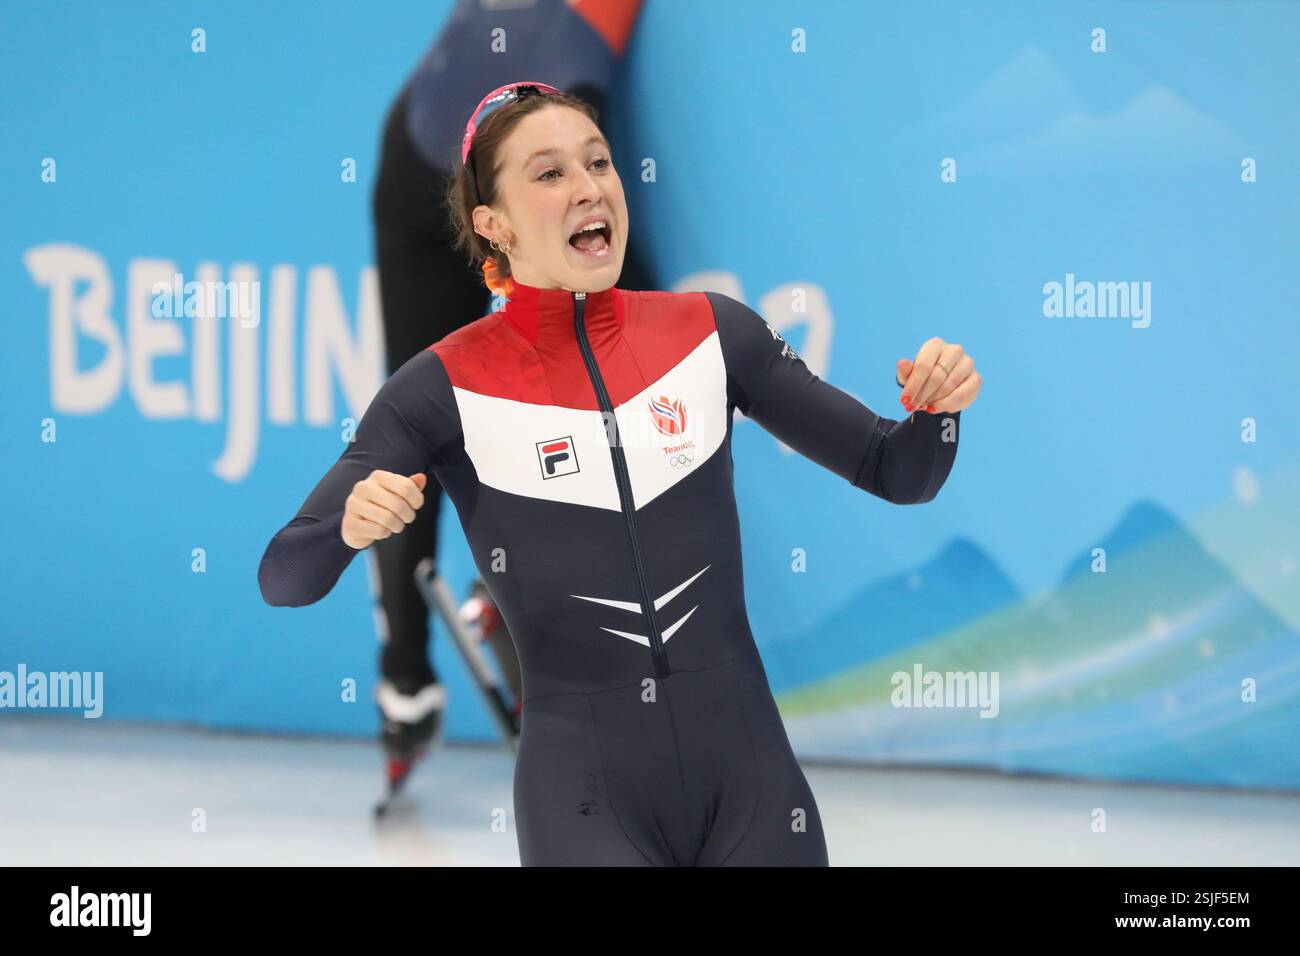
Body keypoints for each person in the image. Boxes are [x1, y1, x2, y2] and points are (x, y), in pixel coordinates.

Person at [259, 82, 981, 866]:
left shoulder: (712, 333)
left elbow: (898, 471)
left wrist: (936, 411)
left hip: (755, 791)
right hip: (584, 801)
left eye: (597, 161)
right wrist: (348, 526)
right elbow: (285, 574)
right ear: (492, 225)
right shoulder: (439, 388)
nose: (588, 186)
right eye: (548, 173)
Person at [369, 0, 651, 781]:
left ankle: (417, 673)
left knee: (431, 416)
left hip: (442, 139)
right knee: (426, 417)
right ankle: (415, 665)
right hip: (447, 168)